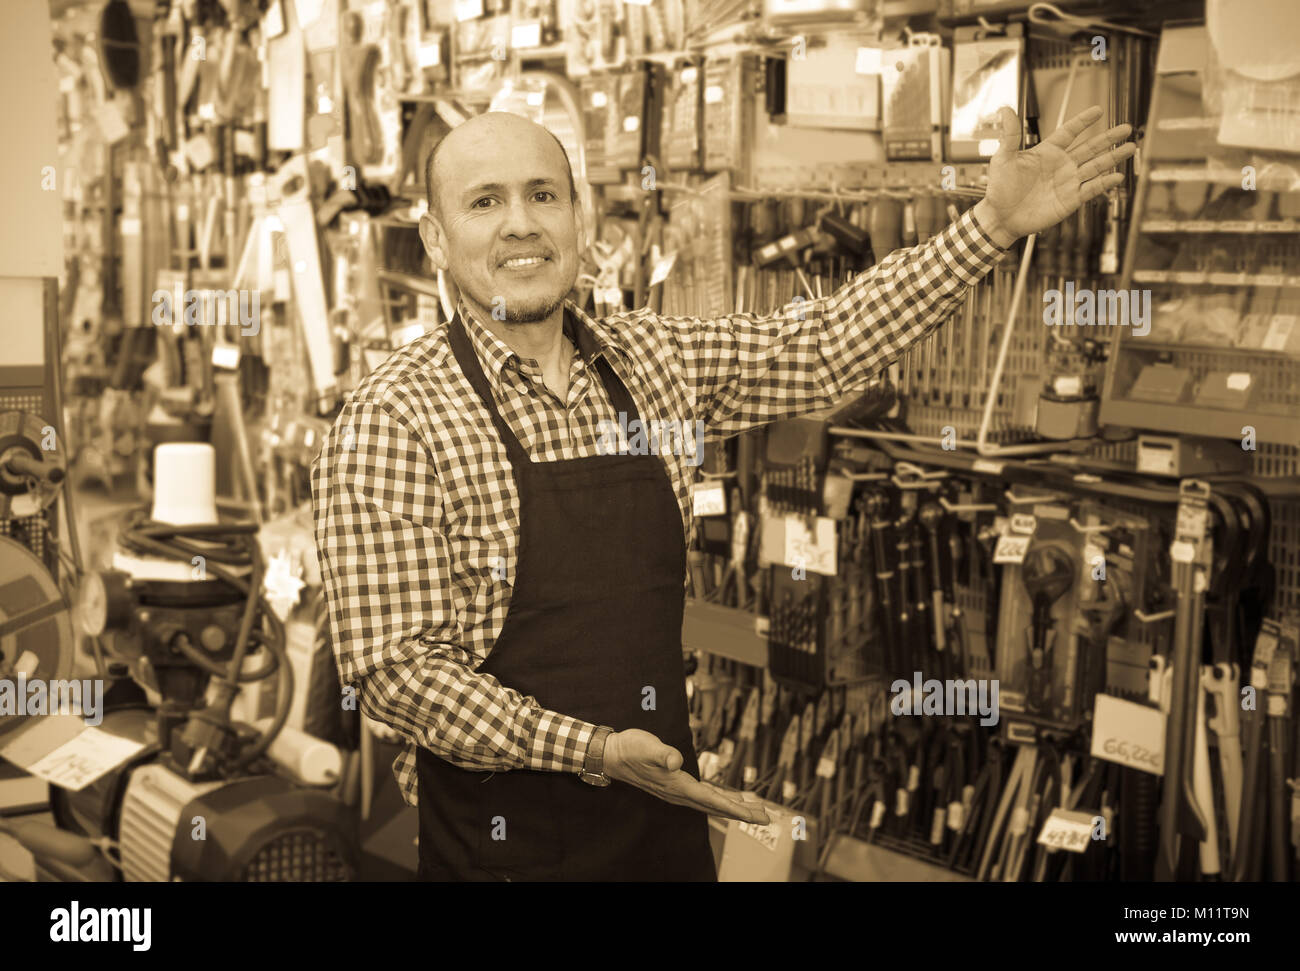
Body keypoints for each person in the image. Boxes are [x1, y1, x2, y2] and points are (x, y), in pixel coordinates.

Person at [312, 105, 1134, 881]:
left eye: (543, 195)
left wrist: (989, 227)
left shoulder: (652, 359)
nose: (521, 223)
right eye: (485, 202)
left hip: (666, 822)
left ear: (579, 219)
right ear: (435, 237)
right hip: (503, 847)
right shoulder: (393, 418)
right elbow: (398, 670)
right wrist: (593, 750)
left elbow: (826, 345)